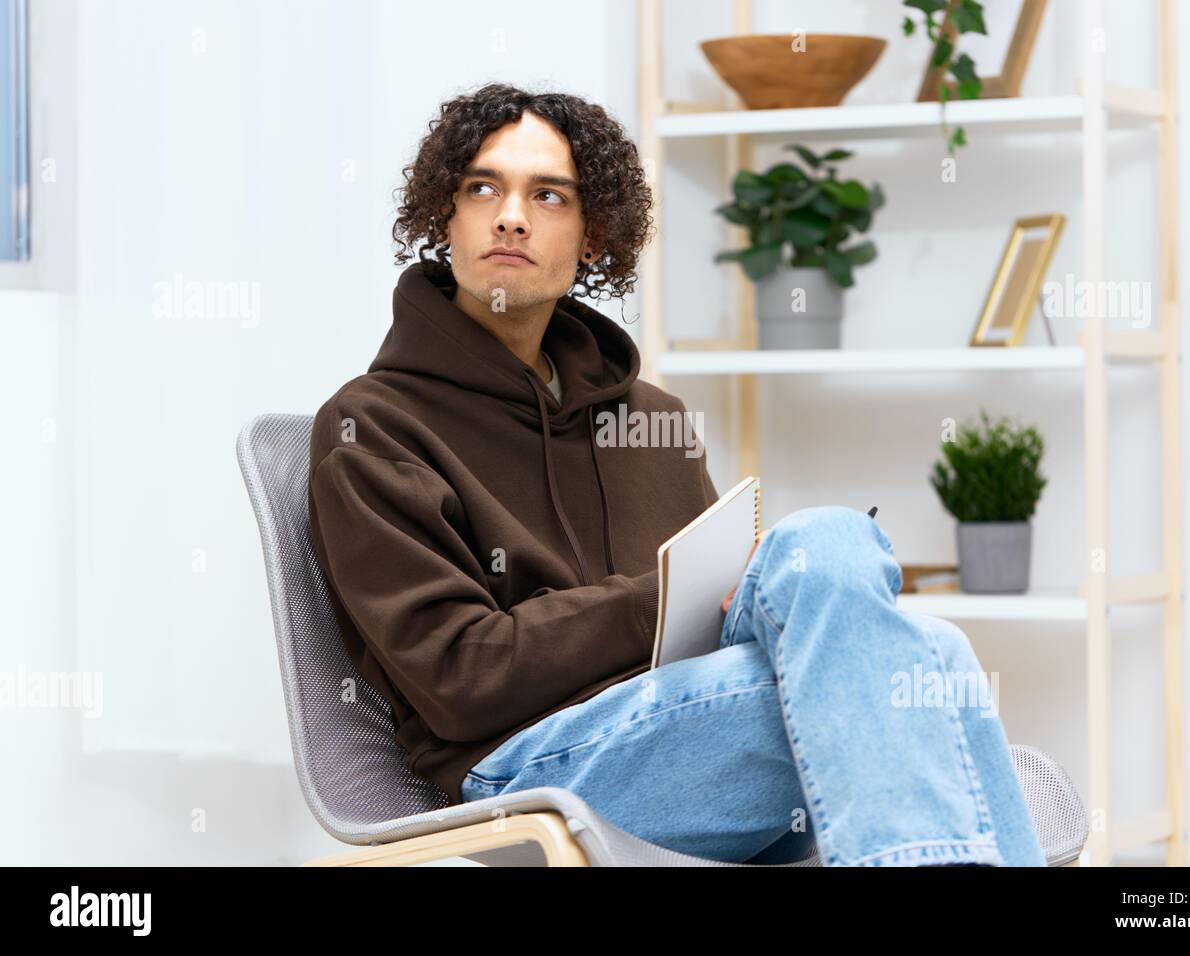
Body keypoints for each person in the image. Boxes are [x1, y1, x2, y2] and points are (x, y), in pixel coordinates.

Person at [307, 82, 1046, 866]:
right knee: (916, 665)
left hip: (679, 725)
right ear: (442, 217)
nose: (512, 215)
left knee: (846, 557)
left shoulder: (650, 419)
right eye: (482, 187)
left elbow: (705, 628)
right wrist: (649, 602)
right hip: (523, 771)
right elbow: (459, 678)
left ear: (594, 237)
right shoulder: (373, 427)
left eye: (549, 195)